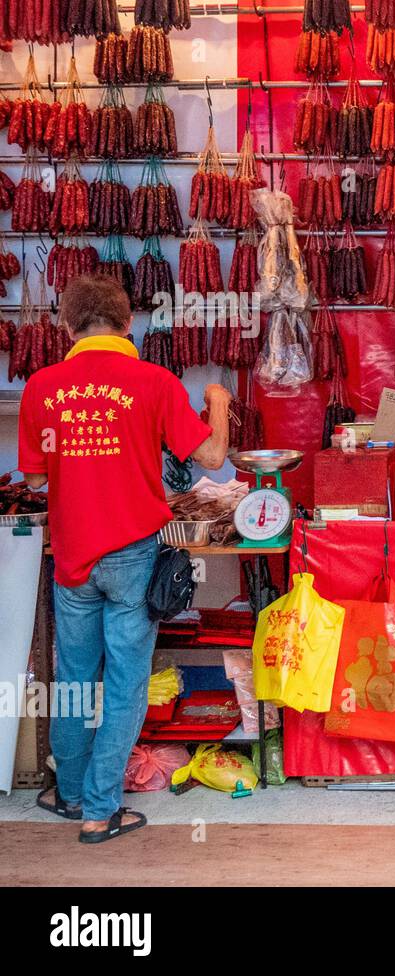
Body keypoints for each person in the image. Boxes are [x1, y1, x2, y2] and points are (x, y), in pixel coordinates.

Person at [18, 274, 231, 844]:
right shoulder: (153, 382)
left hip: (71, 559)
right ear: (128, 322)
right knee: (125, 685)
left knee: (75, 680)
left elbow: (37, 476)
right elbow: (211, 456)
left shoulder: (43, 386)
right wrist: (218, 402)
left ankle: (69, 794)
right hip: (134, 555)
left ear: (66, 326)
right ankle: (100, 809)